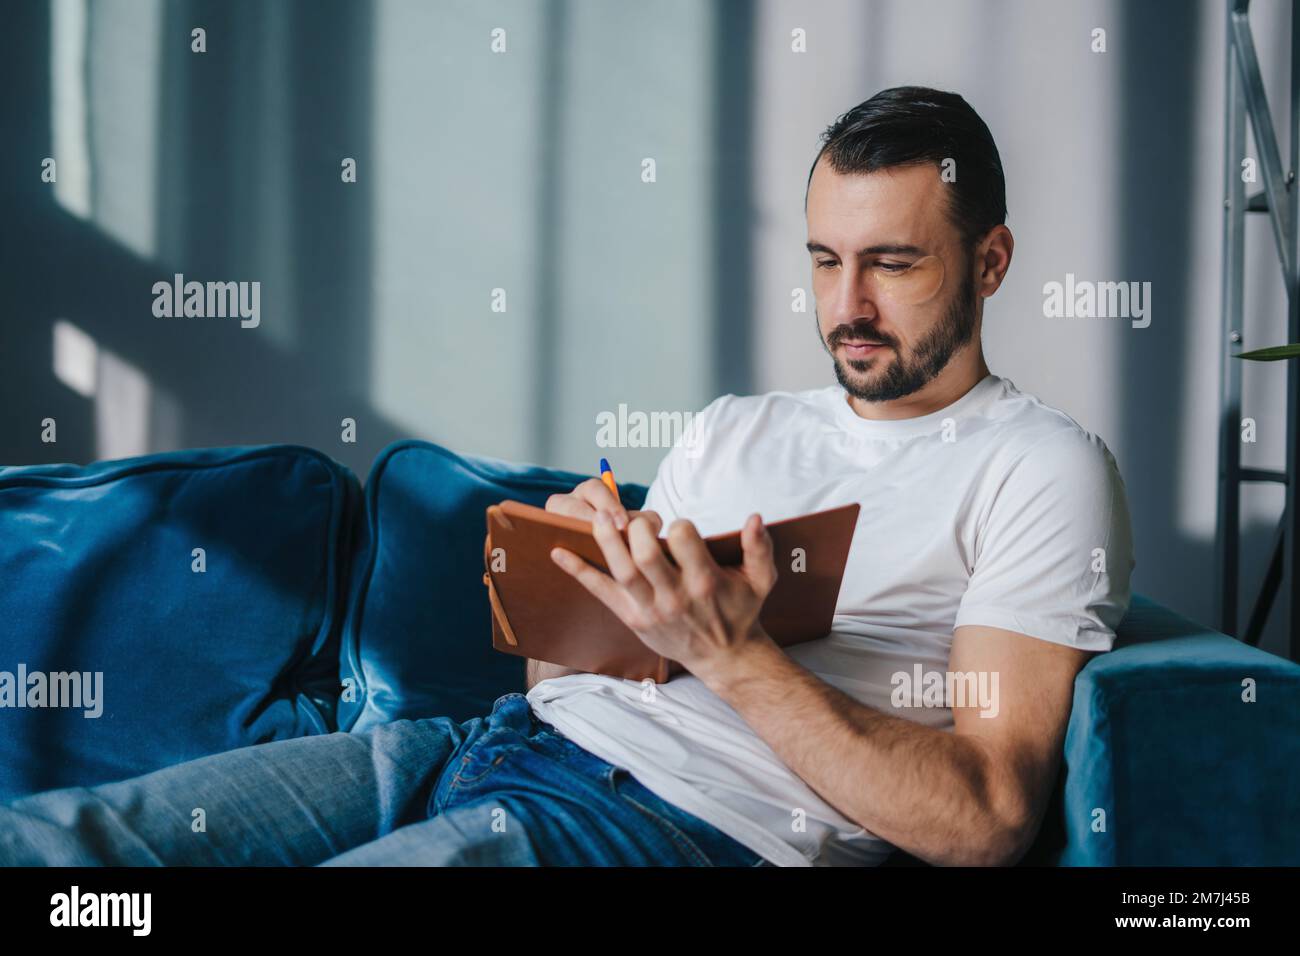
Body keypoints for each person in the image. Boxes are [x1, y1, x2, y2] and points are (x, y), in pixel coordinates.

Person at [0, 85, 1132, 868]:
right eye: (826, 262)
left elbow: (984, 814)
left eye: (892, 263)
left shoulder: (1040, 465)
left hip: (667, 823)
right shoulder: (737, 425)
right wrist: (576, 586)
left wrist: (730, 655)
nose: (846, 307)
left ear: (990, 260)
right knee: (83, 844)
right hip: (478, 744)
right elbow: (566, 673)